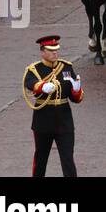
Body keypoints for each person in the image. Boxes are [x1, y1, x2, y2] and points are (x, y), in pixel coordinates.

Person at [24, 35, 83, 177]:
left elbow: (76, 99)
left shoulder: (66, 68)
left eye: (56, 49)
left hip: (64, 121)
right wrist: (42, 87)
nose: (55, 53)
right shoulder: (34, 70)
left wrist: (76, 90)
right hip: (43, 121)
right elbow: (30, 83)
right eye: (51, 50)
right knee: (41, 159)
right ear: (43, 51)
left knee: (68, 158)